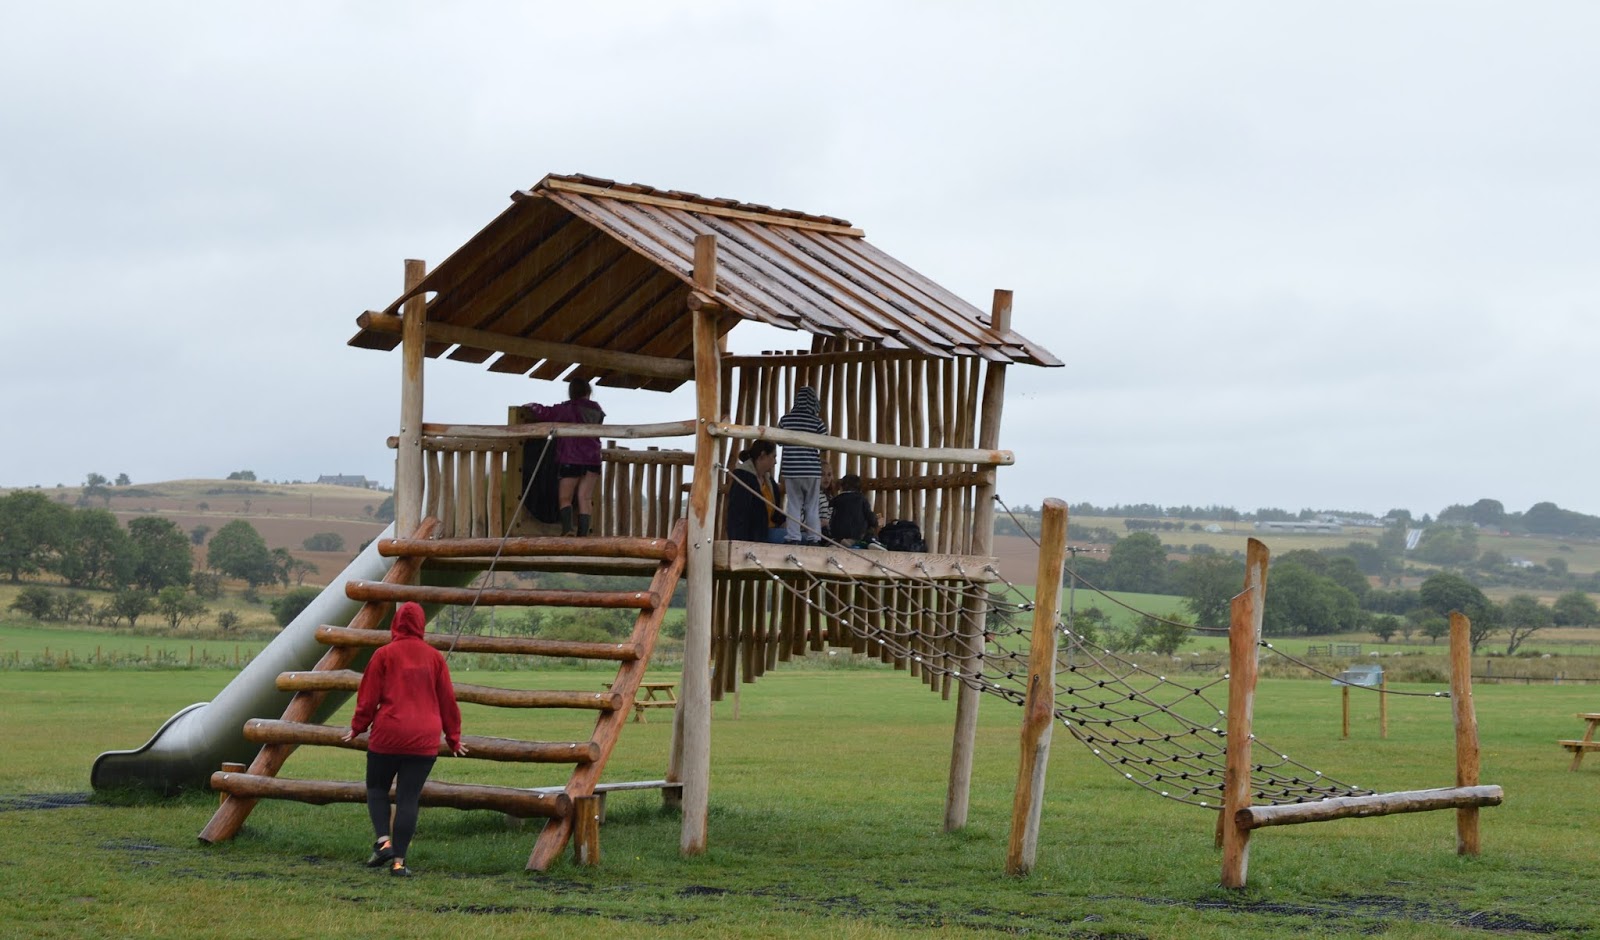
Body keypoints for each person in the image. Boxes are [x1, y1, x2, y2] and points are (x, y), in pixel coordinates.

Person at [341, 601, 468, 877]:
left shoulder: (383, 655)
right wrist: (454, 738)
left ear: (396, 623)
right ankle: (399, 863)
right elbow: (448, 700)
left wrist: (357, 726)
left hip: (388, 734)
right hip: (423, 739)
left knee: (376, 789)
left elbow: (368, 697)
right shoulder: (435, 658)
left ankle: (383, 841)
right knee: (408, 798)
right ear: (422, 624)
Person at [522, 378, 606, 536]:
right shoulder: (597, 411)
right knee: (585, 498)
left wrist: (532, 406)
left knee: (565, 497)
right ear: (589, 392)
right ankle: (583, 536)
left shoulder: (569, 409)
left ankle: (567, 531)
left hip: (571, 459)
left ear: (571, 392)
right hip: (593, 459)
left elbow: (547, 413)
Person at [777, 386, 827, 545]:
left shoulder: (786, 419)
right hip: (812, 471)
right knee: (811, 506)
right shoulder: (817, 421)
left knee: (794, 504)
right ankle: (814, 538)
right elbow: (825, 443)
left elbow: (778, 440)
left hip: (792, 470)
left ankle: (793, 537)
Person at [725, 440, 786, 542]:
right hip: (753, 536)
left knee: (801, 537)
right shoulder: (743, 479)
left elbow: (775, 515)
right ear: (763, 455)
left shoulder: (769, 482)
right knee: (800, 538)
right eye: (773, 456)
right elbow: (738, 515)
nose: (775, 462)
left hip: (768, 532)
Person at [828, 474, 878, 547]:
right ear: (859, 488)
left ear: (841, 487)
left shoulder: (836, 500)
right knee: (866, 536)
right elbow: (870, 517)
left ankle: (838, 543)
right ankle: (854, 543)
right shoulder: (862, 499)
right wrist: (875, 523)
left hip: (838, 533)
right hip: (856, 533)